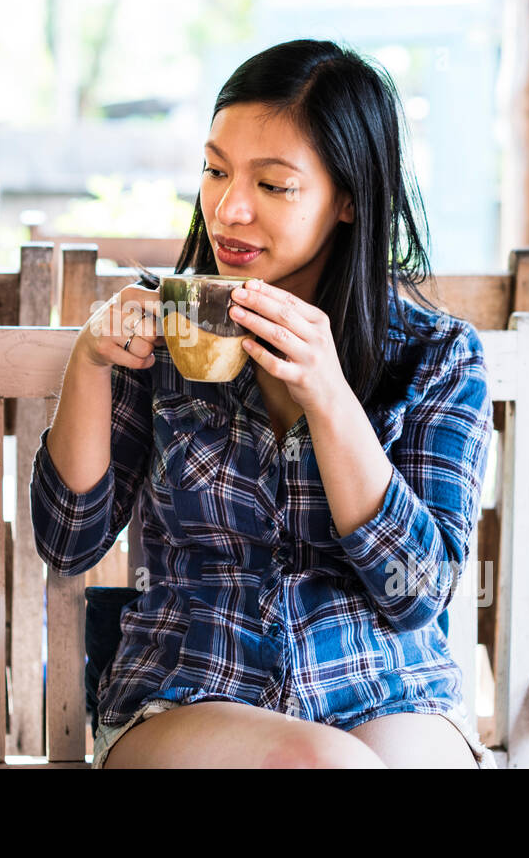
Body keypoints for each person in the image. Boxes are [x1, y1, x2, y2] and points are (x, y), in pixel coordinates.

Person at [31, 38, 497, 768]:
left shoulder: (437, 356)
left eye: (273, 185)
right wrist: (90, 364)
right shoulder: (162, 334)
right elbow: (67, 543)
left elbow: (416, 595)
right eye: (216, 170)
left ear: (349, 198)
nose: (229, 207)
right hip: (186, 695)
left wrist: (331, 395)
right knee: (322, 765)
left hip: (388, 693)